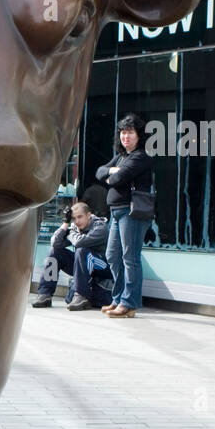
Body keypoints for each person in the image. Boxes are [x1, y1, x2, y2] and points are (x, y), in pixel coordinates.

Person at [96, 113, 154, 318]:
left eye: (130, 132)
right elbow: (99, 172)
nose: (125, 136)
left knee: (130, 258)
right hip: (116, 212)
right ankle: (119, 298)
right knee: (112, 256)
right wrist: (113, 170)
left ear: (139, 135)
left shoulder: (140, 156)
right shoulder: (121, 157)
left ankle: (129, 303)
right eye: (122, 132)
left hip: (132, 212)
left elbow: (117, 179)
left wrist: (112, 174)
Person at [33, 202, 112, 310]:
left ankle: (81, 296)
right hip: (83, 264)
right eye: (74, 218)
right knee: (55, 252)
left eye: (80, 217)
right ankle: (45, 294)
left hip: (103, 267)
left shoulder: (100, 227)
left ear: (89, 215)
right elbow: (55, 243)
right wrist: (65, 223)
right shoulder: (75, 228)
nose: (77, 221)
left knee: (81, 251)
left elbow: (80, 242)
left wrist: (70, 233)